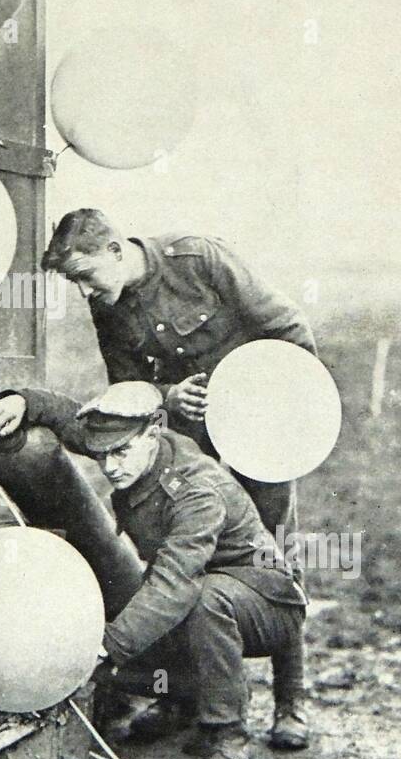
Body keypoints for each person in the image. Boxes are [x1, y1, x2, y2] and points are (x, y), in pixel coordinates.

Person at [0, 381, 310, 759]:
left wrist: (106, 647)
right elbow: (71, 420)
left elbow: (177, 584)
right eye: (101, 456)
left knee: (202, 599)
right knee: (148, 610)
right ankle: (183, 700)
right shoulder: (129, 442)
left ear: (154, 433)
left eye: (120, 452)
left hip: (266, 603)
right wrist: (24, 401)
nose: (110, 467)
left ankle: (229, 739)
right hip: (202, 591)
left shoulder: (196, 490)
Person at [40, 210, 317, 537]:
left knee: (272, 527)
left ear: (115, 250)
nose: (84, 292)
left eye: (86, 275)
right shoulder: (107, 305)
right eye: (75, 282)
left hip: (256, 410)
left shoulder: (196, 258)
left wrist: (287, 398)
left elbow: (287, 327)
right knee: (187, 515)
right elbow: (127, 388)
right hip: (190, 429)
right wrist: (169, 395)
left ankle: (284, 587)